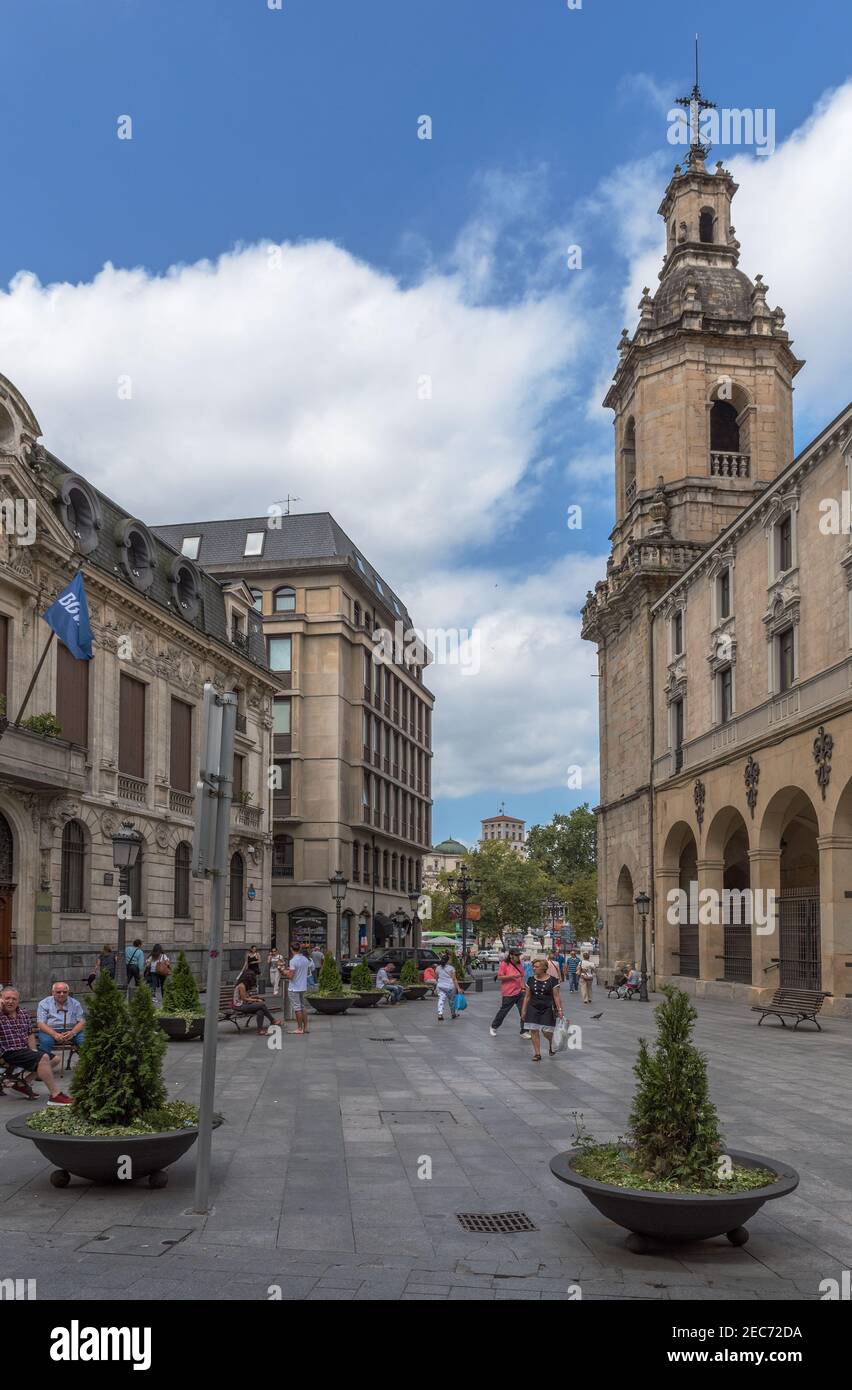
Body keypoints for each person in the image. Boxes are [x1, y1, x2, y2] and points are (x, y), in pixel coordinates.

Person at [0, 987, 71, 1104]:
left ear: (18, 1001)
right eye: (7, 998)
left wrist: (33, 1050)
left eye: (14, 999)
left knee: (55, 1059)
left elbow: (30, 1034)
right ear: (1, 999)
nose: (10, 1001)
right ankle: (55, 1095)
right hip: (8, 1052)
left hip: (24, 1050)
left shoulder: (23, 1014)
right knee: (43, 1058)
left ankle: (22, 1083)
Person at [520, 959, 564, 1062]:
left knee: (546, 1031)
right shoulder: (530, 979)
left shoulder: (553, 980)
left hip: (548, 1007)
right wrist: (524, 1010)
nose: (534, 968)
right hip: (533, 1007)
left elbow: (556, 996)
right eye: (533, 966)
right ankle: (537, 1054)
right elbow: (527, 997)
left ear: (543, 968)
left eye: (536, 967)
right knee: (534, 1031)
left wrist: (560, 1010)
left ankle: (551, 1042)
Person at [36, 982, 86, 1058]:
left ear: (68, 992)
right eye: (58, 992)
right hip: (50, 1031)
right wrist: (54, 1034)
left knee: (84, 1041)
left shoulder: (75, 1004)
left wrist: (72, 1032)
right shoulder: (44, 1003)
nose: (62, 994)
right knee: (46, 1042)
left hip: (71, 1030)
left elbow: (82, 1022)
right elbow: (41, 1023)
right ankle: (43, 1066)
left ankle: (88, 1065)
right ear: (53, 993)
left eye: (65, 992)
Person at [490, 948, 531, 1039]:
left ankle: (524, 1031)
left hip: (520, 991)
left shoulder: (520, 964)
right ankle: (494, 1027)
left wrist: (523, 988)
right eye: (516, 955)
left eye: (518, 955)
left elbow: (521, 977)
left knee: (524, 1011)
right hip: (508, 992)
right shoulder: (505, 964)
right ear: (511, 955)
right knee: (504, 1011)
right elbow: (500, 977)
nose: (518, 957)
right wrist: (512, 976)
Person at [286, 945, 311, 1033]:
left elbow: (291, 976)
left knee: (297, 1008)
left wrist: (284, 972)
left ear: (291, 949)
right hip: (303, 986)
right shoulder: (305, 959)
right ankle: (306, 1027)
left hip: (294, 987)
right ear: (299, 949)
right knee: (303, 1007)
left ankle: (299, 1028)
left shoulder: (293, 961)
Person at [435, 953, 457, 1021]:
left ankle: (440, 1014)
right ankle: (453, 1014)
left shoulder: (438, 968)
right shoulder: (451, 968)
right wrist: (458, 988)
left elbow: (436, 978)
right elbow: (454, 979)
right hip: (450, 986)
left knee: (441, 999)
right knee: (451, 1001)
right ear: (448, 960)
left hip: (440, 986)